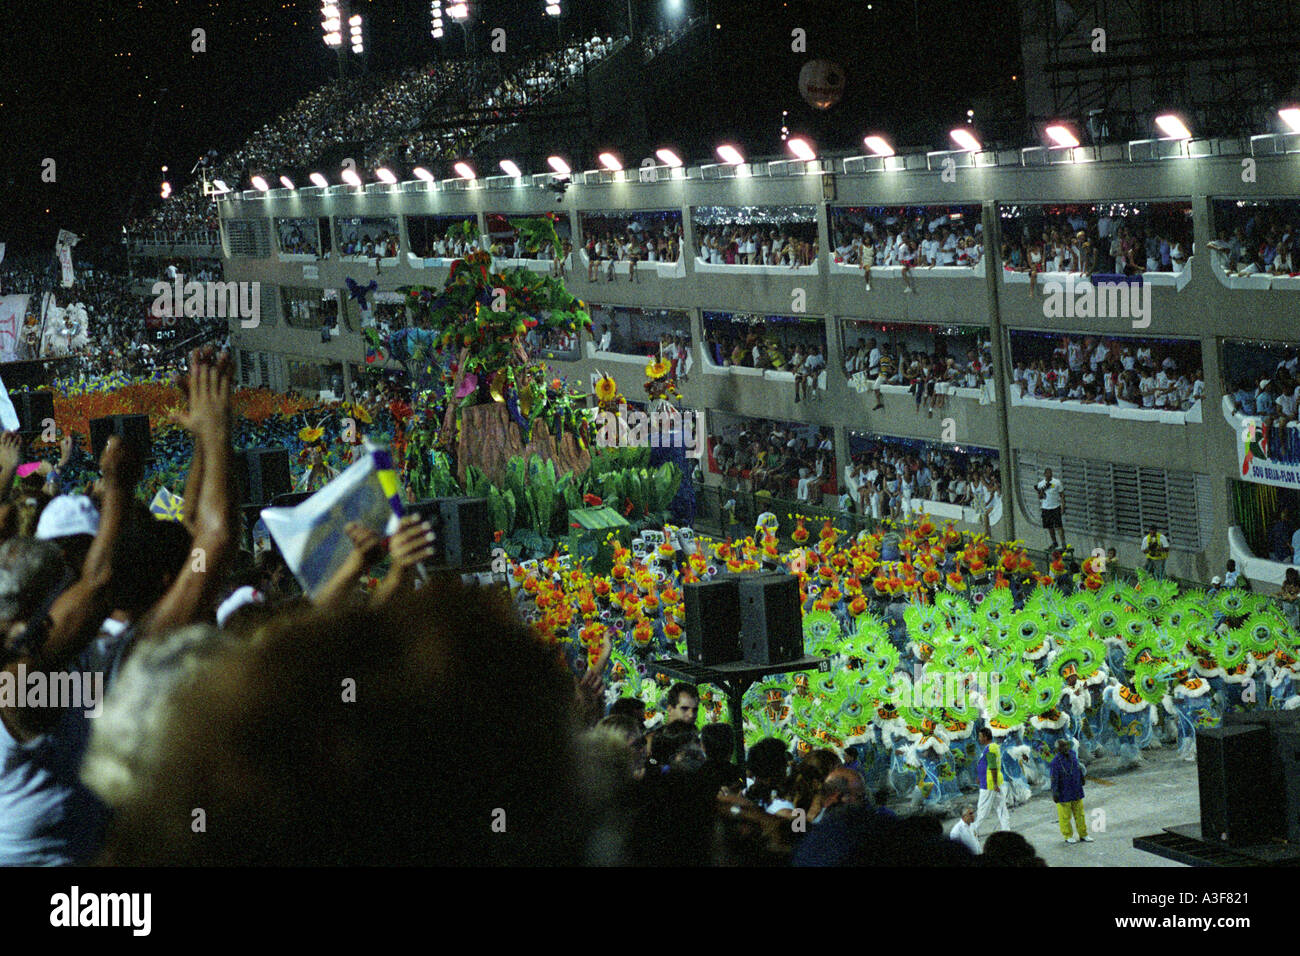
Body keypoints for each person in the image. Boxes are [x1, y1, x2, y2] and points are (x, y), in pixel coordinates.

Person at [1049, 739, 1093, 844]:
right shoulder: (1055, 762)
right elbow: (1054, 778)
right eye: (1062, 746)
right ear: (1058, 749)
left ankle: (1083, 834)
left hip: (1076, 789)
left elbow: (1077, 767)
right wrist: (1055, 792)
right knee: (1065, 816)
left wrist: (1082, 777)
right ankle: (1067, 835)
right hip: (1063, 792)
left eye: (1066, 745)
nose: (1065, 748)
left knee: (1080, 814)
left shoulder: (1073, 754)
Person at [971, 727, 1010, 837]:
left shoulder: (991, 748)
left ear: (985, 737)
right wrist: (980, 776)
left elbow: (992, 766)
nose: (979, 739)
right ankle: (1006, 830)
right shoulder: (990, 747)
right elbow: (985, 764)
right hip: (991, 781)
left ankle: (973, 830)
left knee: (983, 808)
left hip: (989, 784)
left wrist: (995, 783)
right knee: (1001, 807)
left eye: (980, 736)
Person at [1036, 467, 1065, 550]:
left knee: (1059, 526)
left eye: (1050, 473)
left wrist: (1063, 505)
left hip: (1055, 507)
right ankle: (1054, 542)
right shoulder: (1041, 484)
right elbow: (1040, 497)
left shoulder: (1057, 482)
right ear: (1045, 474)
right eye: (1047, 474)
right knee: (1049, 526)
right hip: (1046, 508)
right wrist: (1041, 492)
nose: (1049, 475)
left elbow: (1062, 495)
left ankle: (1063, 543)